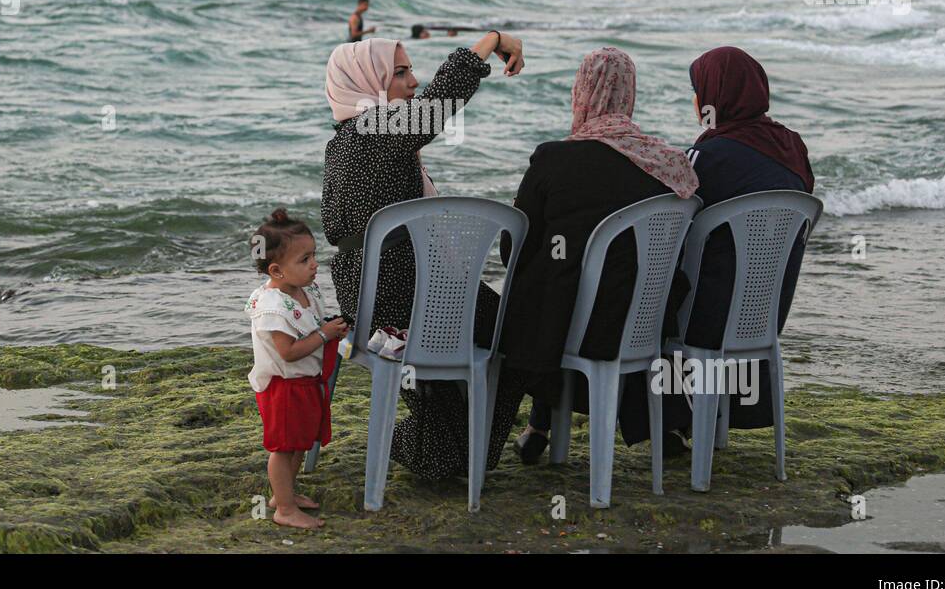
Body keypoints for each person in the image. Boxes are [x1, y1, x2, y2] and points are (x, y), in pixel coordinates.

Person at [321, 31, 525, 480]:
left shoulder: (353, 138)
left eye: (411, 69)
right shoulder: (370, 131)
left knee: (514, 339)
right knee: (515, 340)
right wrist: (490, 40)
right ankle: (425, 444)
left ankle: (458, 446)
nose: (414, 81)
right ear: (366, 82)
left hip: (405, 292)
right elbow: (439, 104)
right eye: (400, 72)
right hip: (398, 302)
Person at [500, 48, 699, 463]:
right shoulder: (665, 164)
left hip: (562, 330)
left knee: (549, 285)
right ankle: (662, 422)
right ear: (629, 93)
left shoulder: (554, 158)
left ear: (582, 91)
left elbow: (513, 248)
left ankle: (539, 424)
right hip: (644, 325)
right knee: (605, 283)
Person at [665, 46, 814, 432]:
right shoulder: (794, 147)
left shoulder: (706, 155)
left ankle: (669, 421)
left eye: (697, 90)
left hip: (708, 318)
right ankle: (712, 416)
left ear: (715, 96)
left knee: (651, 295)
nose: (695, 100)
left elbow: (672, 230)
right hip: (767, 314)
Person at [244, 209, 350, 530]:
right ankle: (284, 510)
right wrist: (324, 335)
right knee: (283, 447)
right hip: (283, 386)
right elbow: (288, 353)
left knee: (301, 441)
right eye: (305, 260)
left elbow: (311, 325)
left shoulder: (304, 290)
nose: (314, 264)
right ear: (276, 270)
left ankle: (283, 495)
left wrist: (328, 326)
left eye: (313, 255)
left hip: (305, 383)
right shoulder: (273, 307)